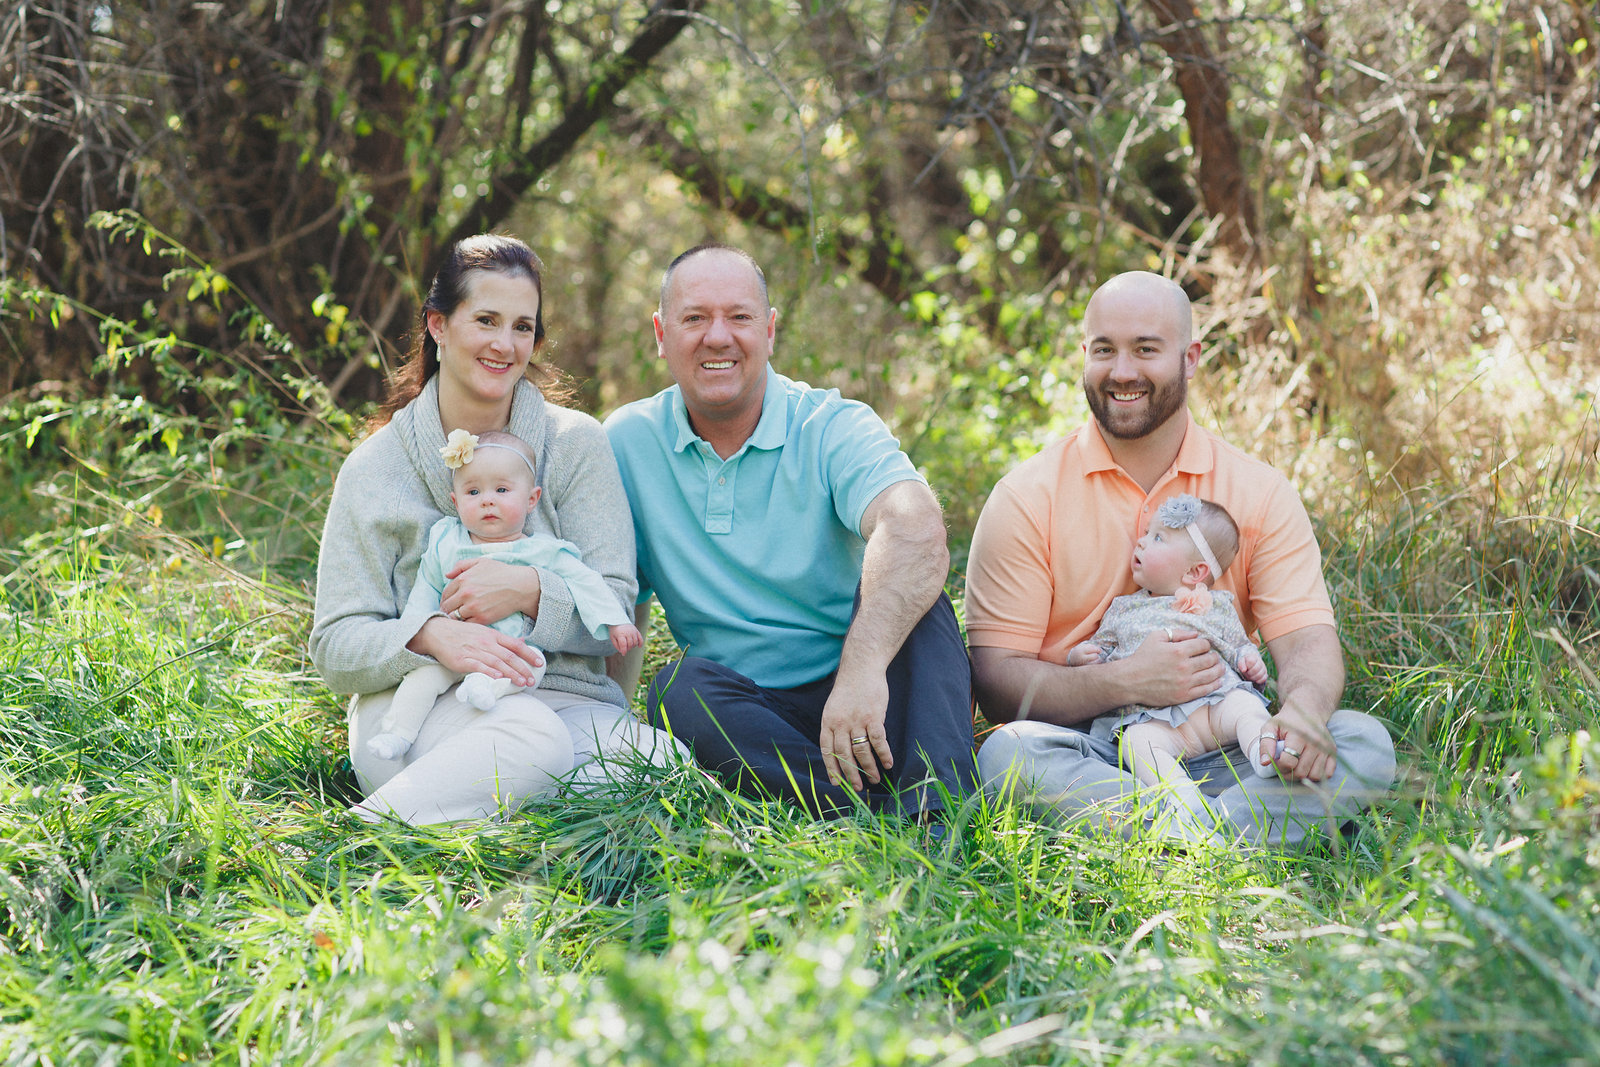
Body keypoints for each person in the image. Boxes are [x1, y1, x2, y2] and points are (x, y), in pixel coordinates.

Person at [965, 270, 1395, 848]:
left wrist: (1304, 711)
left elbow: (1306, 642)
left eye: (1146, 349)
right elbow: (996, 681)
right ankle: (1231, 841)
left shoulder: (1258, 491)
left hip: (1230, 747)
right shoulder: (1025, 497)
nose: (1122, 372)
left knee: (1363, 742)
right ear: (1082, 357)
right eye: (1104, 350)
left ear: (1190, 359)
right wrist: (1121, 680)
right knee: (1008, 754)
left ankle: (1177, 843)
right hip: (1098, 755)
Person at [310, 233, 679, 825]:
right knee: (532, 742)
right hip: (419, 707)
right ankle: (353, 844)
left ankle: (492, 844)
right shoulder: (376, 468)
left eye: (523, 327)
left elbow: (614, 610)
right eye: (486, 320)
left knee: (665, 775)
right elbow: (334, 645)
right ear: (438, 325)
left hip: (565, 700)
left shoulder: (575, 444)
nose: (504, 345)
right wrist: (430, 635)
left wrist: (531, 592)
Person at [602, 243, 977, 818]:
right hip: (754, 720)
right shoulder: (625, 443)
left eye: (740, 317)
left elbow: (917, 524)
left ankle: (934, 813)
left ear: (770, 331)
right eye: (695, 318)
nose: (718, 337)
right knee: (676, 693)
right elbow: (614, 600)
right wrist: (606, 725)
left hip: (872, 692)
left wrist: (860, 674)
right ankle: (858, 820)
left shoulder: (830, 425)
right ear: (661, 332)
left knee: (918, 592)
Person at [366, 428, 643, 760]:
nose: (487, 500)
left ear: (531, 499)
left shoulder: (543, 551)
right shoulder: (446, 542)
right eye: (473, 491)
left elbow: (588, 584)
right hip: (453, 652)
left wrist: (615, 621)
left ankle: (486, 688)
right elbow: (424, 593)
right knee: (421, 680)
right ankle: (397, 734)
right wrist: (420, 631)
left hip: (516, 652)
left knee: (533, 667)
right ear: (455, 502)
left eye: (501, 489)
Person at [1069, 493, 1278, 844]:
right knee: (1135, 744)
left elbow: (1238, 645)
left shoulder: (1217, 606)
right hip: (1153, 722)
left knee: (1247, 708)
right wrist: (1081, 656)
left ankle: (1262, 752)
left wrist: (1249, 660)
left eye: (1158, 538)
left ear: (1195, 572)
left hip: (1215, 709)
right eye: (1148, 533)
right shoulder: (1123, 609)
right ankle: (1183, 798)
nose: (1142, 540)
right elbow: (1103, 649)